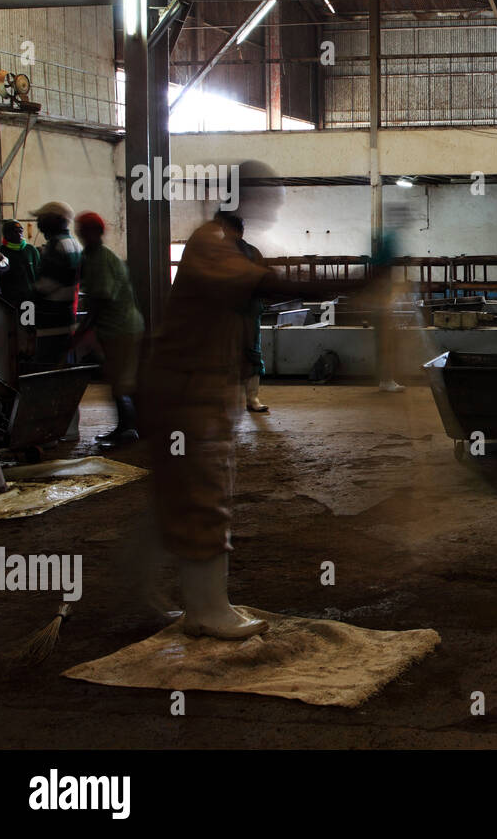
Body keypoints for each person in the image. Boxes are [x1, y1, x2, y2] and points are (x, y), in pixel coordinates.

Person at [142, 164, 371, 639]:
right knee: (200, 495)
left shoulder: (224, 245)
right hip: (184, 389)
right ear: (243, 198)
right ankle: (205, 610)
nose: (273, 206)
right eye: (268, 197)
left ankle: (174, 600)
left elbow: (260, 284)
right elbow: (269, 285)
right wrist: (352, 284)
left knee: (186, 496)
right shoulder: (211, 242)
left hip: (200, 387)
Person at [74, 211, 144, 448]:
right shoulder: (91, 256)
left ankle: (129, 431)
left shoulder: (102, 259)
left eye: (86, 230)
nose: (82, 234)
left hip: (121, 327)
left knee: (120, 383)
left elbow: (101, 299)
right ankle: (124, 428)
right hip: (115, 327)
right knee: (117, 380)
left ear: (97, 233)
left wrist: (82, 330)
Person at [214, 212, 270, 413]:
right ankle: (251, 398)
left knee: (230, 353)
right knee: (250, 352)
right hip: (243, 310)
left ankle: (241, 399)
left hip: (236, 311)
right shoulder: (252, 252)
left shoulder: (221, 252)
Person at [28, 201, 82, 366]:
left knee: (47, 370)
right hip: (66, 319)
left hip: (51, 323)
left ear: (56, 220)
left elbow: (45, 286)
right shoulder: (73, 243)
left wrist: (26, 300)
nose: (39, 224)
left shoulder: (56, 245)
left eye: (42, 219)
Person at [0, 220, 39, 355]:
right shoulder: (0, 252)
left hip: (28, 301)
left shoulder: (31, 251)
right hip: (9, 301)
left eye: (20, 231)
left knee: (28, 330)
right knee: (12, 332)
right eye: (14, 231)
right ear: (6, 234)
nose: (19, 234)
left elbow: (37, 274)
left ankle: (28, 357)